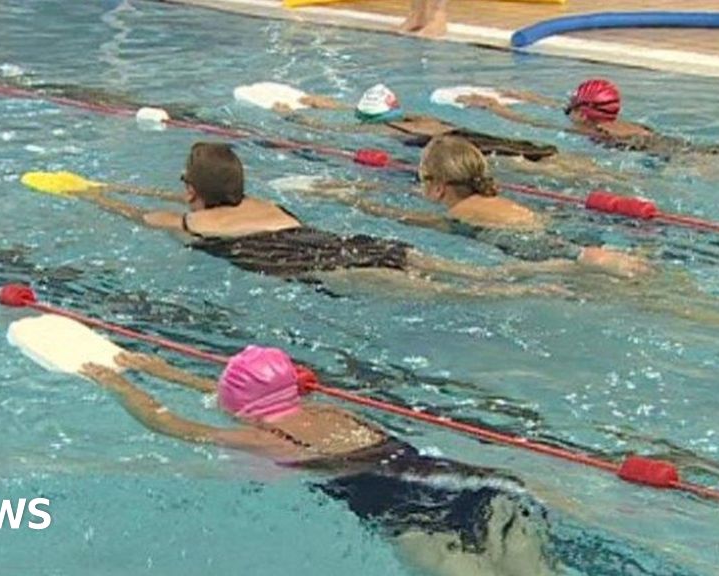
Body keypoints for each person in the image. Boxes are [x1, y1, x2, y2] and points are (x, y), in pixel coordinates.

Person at [81, 344, 557, 576]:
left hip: (417, 524)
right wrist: (167, 372)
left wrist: (116, 384)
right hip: (484, 491)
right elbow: (251, 394)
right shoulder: (332, 412)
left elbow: (168, 424)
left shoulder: (268, 440)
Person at [63, 141, 567, 298]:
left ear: (191, 191)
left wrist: (88, 192)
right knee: (461, 272)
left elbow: (139, 214)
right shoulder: (262, 205)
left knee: (457, 293)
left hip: (323, 266)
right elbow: (188, 195)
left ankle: (527, 292)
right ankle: (541, 276)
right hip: (347, 241)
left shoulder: (196, 225)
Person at [301, 136, 651, 278]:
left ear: (438, 187)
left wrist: (351, 199)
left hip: (544, 249)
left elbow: (406, 218)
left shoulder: (459, 214)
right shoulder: (490, 202)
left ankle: (591, 260)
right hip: (555, 233)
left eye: (421, 179)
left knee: (536, 269)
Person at [272, 83, 623, 183]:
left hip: (465, 148)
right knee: (540, 156)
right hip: (472, 134)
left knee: (524, 165)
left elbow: (335, 126)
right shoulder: (418, 116)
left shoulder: (388, 129)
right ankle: (606, 175)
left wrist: (294, 116)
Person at [459, 78, 719, 160]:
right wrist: (528, 97)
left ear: (582, 114)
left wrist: (494, 108)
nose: (567, 107)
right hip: (669, 144)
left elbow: (537, 124)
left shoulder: (594, 133)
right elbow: (564, 108)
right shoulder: (610, 120)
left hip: (668, 155)